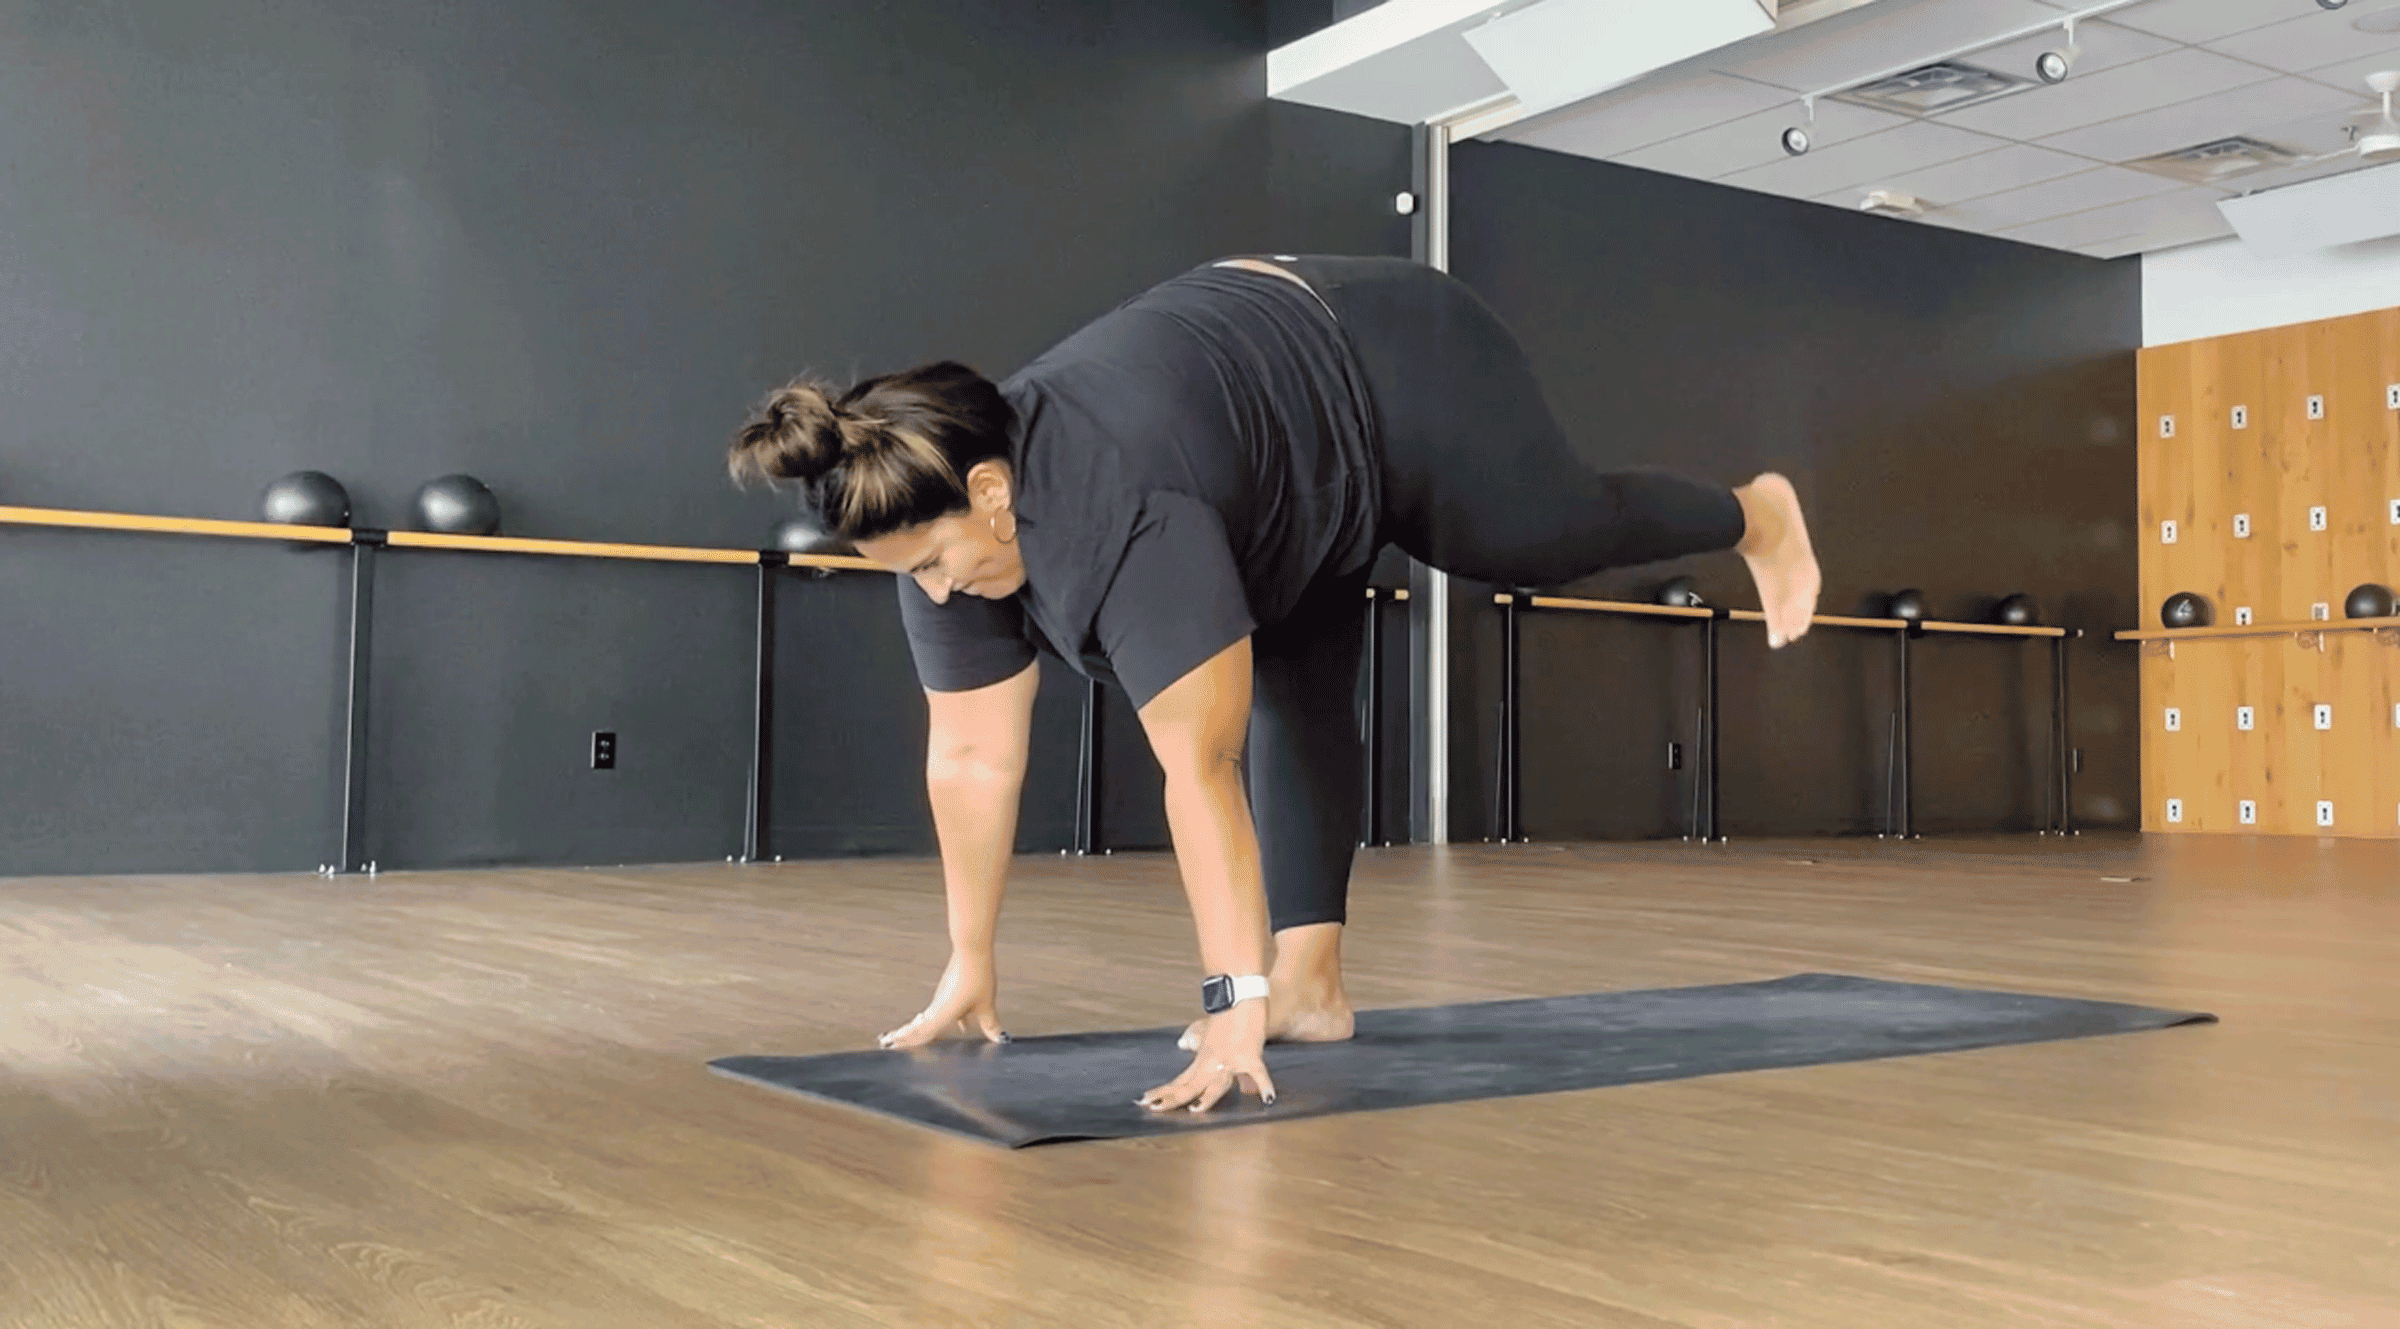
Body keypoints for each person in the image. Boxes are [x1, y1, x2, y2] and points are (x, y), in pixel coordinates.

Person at [725, 255, 1820, 1117]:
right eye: (911, 574)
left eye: (935, 560)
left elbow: (1199, 769)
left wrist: (1227, 1006)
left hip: (1387, 355)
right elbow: (969, 759)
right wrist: (968, 966)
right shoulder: (928, 523)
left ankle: (1754, 511)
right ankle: (1311, 985)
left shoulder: (1127, 511)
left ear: (994, 492)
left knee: (1544, 534)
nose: (936, 589)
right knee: (1296, 680)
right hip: (1261, 461)